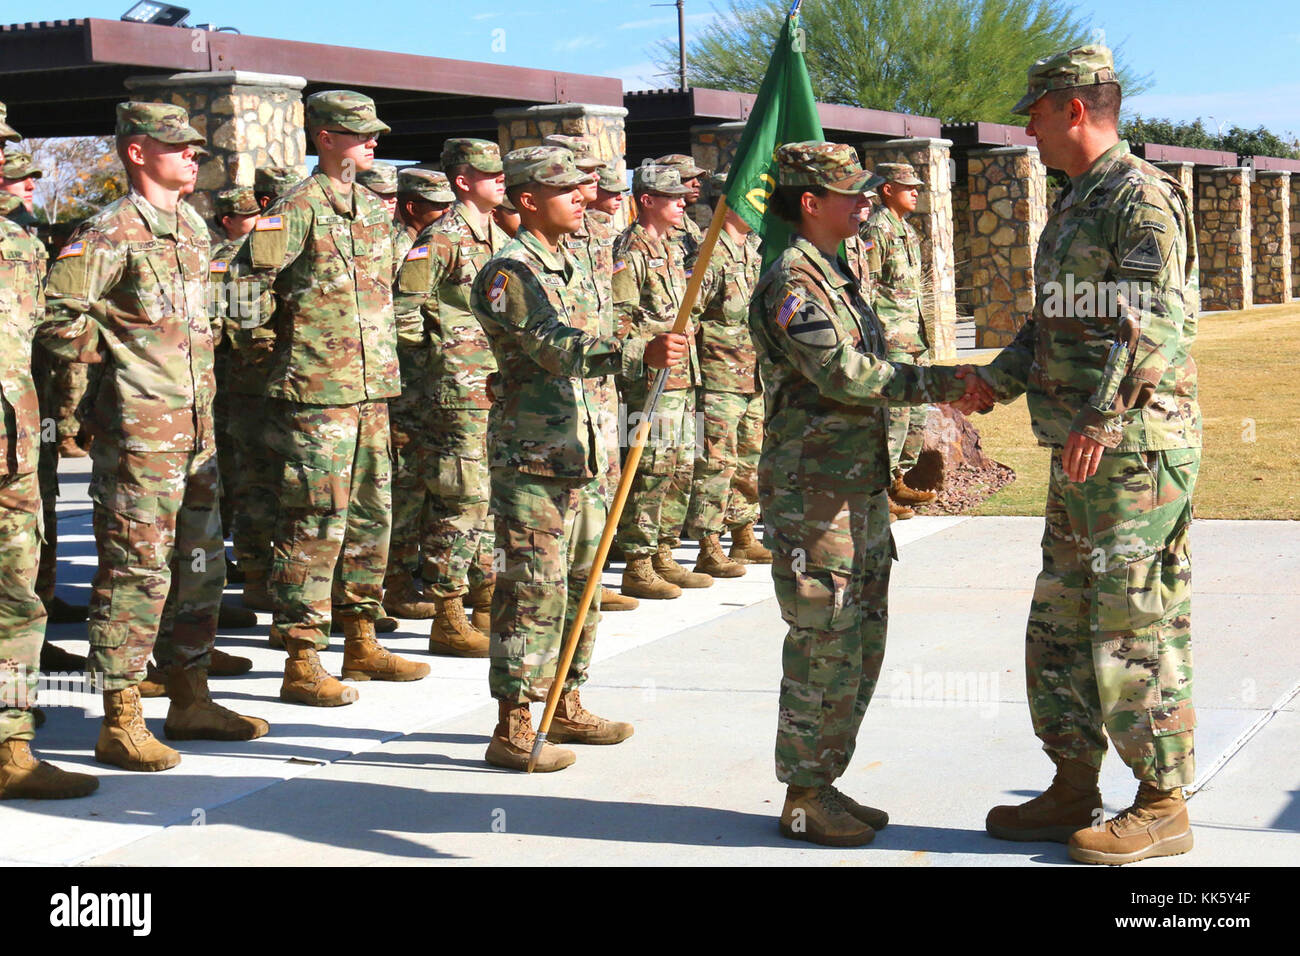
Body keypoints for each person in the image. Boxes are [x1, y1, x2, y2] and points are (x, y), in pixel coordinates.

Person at [972, 46, 1202, 866]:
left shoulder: (1139, 197)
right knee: (1062, 623)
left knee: (1137, 621)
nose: (1026, 125)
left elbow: (1155, 323)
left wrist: (1101, 417)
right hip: (1080, 458)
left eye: (1034, 109)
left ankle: (1163, 801)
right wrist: (992, 382)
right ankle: (1073, 782)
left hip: (1133, 454)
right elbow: (1056, 322)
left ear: (1073, 109)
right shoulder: (1076, 202)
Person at [749, 141, 978, 846]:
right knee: (823, 641)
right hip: (814, 496)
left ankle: (827, 779)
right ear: (810, 203)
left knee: (859, 641)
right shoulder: (791, 281)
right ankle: (803, 793)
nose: (866, 202)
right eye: (851, 193)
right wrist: (945, 384)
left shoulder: (837, 275)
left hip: (855, 487)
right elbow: (845, 374)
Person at [41, 102, 270, 770]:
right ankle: (120, 718)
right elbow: (57, 320)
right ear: (136, 152)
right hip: (141, 433)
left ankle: (190, 697)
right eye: (178, 148)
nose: (192, 158)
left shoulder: (193, 227)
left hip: (196, 432)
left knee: (200, 570)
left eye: (195, 150)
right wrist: (123, 364)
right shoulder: (110, 230)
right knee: (134, 571)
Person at [470, 145, 687, 771]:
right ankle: (513, 725)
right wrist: (636, 355)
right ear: (527, 199)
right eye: (564, 189)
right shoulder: (509, 272)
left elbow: (613, 326)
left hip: (589, 451)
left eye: (580, 187)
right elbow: (552, 345)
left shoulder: (582, 259)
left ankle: (564, 701)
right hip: (535, 460)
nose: (581, 197)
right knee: (531, 590)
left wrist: (650, 342)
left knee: (583, 588)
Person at [235, 90, 428, 705]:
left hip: (373, 393)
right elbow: (242, 292)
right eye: (358, 132)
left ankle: (361, 640)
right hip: (316, 397)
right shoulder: (296, 207)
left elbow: (402, 293)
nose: (372, 141)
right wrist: (272, 355)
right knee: (315, 520)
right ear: (323, 137)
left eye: (374, 132)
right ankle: (300, 657)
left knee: (372, 518)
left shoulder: (375, 212)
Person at [0, 102, 99, 798]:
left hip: (13, 440)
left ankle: (10, 747)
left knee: (14, 593)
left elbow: (54, 338)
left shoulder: (22, 241)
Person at [394, 138, 508, 654]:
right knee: (459, 498)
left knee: (485, 499)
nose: (501, 181)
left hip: (493, 384)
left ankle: (483, 601)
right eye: (491, 173)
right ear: (463, 181)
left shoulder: (494, 233)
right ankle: (448, 613)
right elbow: (403, 310)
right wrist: (442, 355)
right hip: (456, 389)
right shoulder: (442, 238)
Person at [544, 134, 638, 612]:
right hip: (555, 392)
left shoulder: (598, 234)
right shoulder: (527, 248)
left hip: (598, 389)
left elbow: (608, 307)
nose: (592, 185)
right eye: (580, 176)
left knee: (600, 492)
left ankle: (592, 583)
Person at [612, 164, 712, 600]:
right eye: (671, 198)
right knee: (650, 467)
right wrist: (651, 343)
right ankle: (637, 560)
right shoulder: (630, 250)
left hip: (682, 373)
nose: (682, 203)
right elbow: (618, 320)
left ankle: (664, 551)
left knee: (679, 466)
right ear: (647, 200)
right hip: (651, 377)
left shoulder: (672, 246)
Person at [383, 165, 455, 619]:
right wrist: (434, 348)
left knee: (429, 482)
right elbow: (398, 312)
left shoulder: (438, 241)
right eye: (437, 205)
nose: (446, 212)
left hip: (430, 386)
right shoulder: (396, 244)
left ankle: (415, 574)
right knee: (404, 481)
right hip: (406, 382)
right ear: (412, 207)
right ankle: (394, 581)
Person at [681, 194, 761, 578]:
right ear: (728, 206)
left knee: (749, 459)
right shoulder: (710, 255)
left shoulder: (753, 252)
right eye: (751, 202)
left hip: (753, 374)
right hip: (719, 377)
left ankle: (743, 534)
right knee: (715, 463)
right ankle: (708, 544)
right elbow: (688, 315)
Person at [863, 163, 939, 521]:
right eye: (908, 186)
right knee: (893, 416)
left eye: (917, 187)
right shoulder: (875, 229)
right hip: (892, 337)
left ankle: (899, 478)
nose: (915, 192)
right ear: (887, 189)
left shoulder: (906, 230)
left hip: (913, 336)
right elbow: (869, 287)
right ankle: (880, 491)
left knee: (916, 413)